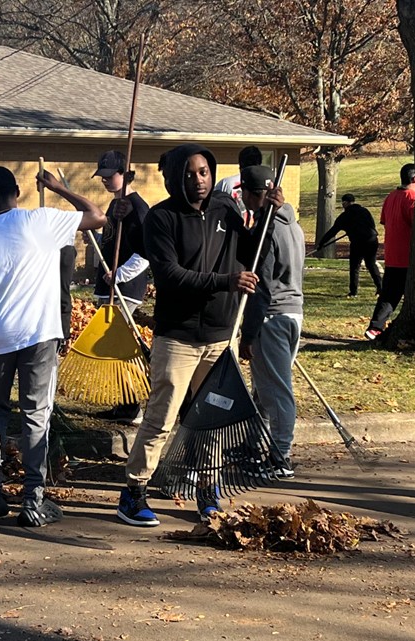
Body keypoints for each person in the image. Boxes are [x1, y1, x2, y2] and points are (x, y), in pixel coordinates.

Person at [116, 143, 257, 527]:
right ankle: (134, 492)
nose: (198, 180)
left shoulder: (227, 209)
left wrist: (264, 214)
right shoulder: (162, 219)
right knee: (161, 417)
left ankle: (207, 492)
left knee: (211, 417)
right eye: (190, 173)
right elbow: (170, 276)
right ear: (175, 176)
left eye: (204, 172)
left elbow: (250, 250)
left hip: (220, 334)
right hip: (177, 336)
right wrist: (226, 281)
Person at [0, 166, 105, 527]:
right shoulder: (40, 220)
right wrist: (60, 188)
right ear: (17, 193)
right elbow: (97, 216)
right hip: (39, 333)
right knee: (35, 413)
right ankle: (32, 499)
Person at [238, 165, 304, 479]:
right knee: (265, 390)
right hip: (293, 313)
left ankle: (281, 457)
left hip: (273, 316)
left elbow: (261, 287)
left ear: (254, 194)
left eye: (244, 194)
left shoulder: (269, 232)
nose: (243, 199)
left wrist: (247, 335)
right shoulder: (292, 222)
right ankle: (256, 447)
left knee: (277, 392)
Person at [91, 150, 151, 424]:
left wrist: (120, 275)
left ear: (126, 175)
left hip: (125, 289)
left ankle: (132, 407)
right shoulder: (115, 206)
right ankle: (122, 405)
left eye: (110, 176)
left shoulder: (137, 207)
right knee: (114, 349)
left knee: (123, 348)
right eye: (101, 177)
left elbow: (146, 252)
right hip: (108, 287)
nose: (105, 181)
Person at [365, 164, 415, 340]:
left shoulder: (391, 197)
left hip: (392, 255)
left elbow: (385, 221)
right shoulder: (412, 197)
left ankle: (375, 327)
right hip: (408, 257)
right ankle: (378, 327)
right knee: (397, 294)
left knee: (389, 294)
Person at [317, 194, 381, 297]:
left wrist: (321, 243)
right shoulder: (365, 211)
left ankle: (353, 292)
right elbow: (371, 225)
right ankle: (380, 288)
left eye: (343, 202)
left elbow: (333, 231)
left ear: (345, 203)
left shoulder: (344, 216)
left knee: (355, 267)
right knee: (371, 265)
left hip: (358, 242)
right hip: (372, 240)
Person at [214, 145, 263, 224]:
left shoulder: (225, 183)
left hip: (231, 230)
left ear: (240, 164)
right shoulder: (265, 184)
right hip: (257, 231)